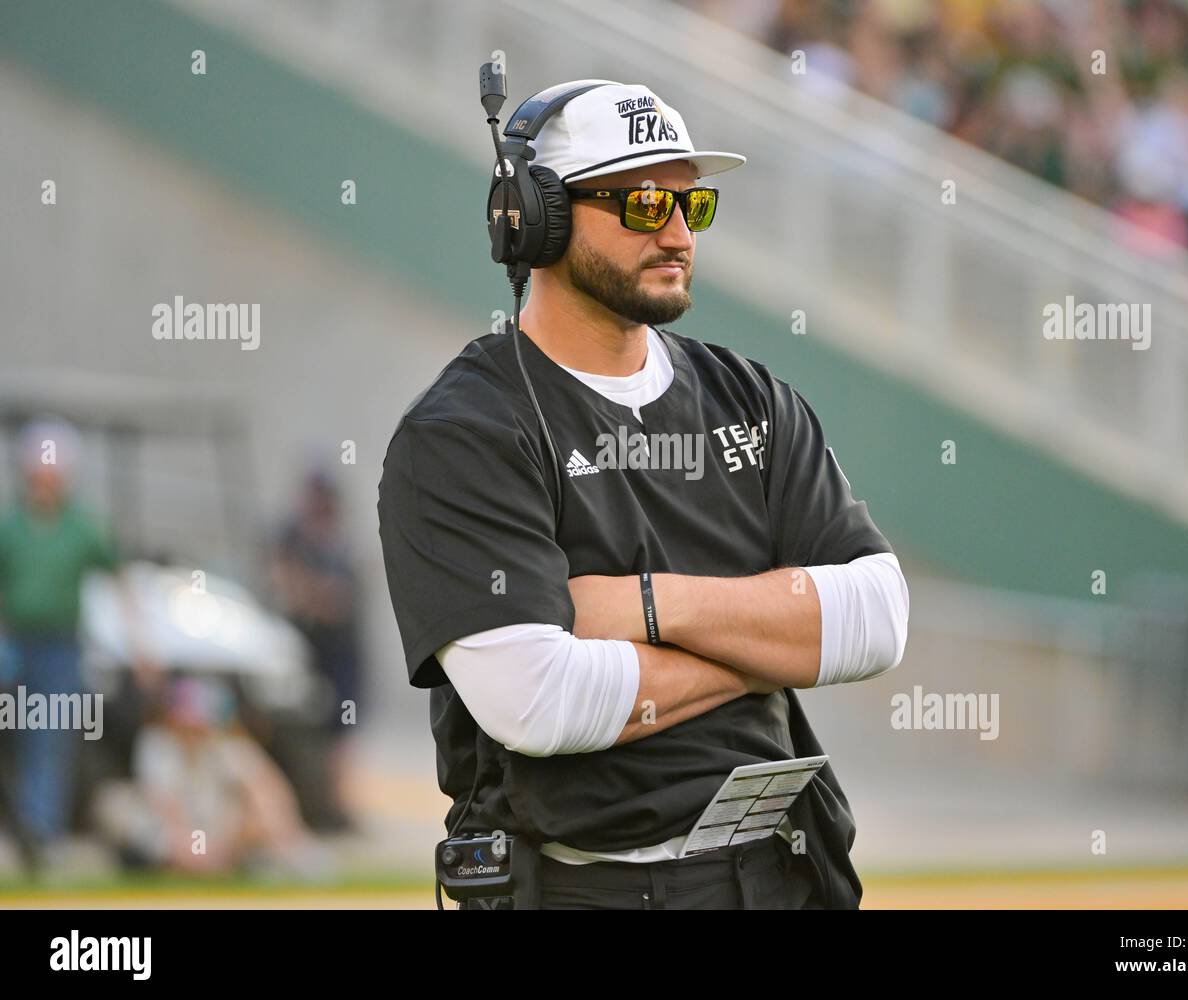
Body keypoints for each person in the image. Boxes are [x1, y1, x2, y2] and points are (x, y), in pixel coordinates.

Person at [377, 80, 910, 909]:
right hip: (576, 887)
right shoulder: (463, 433)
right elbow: (541, 703)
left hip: (774, 873)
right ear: (536, 215)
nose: (674, 233)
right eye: (641, 204)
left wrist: (649, 606)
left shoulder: (750, 396)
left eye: (690, 206)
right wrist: (768, 647)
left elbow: (879, 616)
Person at [0, 417, 160, 870]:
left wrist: (141, 644)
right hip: (14, 644)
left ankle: (40, 832)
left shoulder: (81, 527)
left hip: (61, 647)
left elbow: (121, 581)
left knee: (49, 736)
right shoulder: (11, 526)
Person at [94, 675, 331, 878]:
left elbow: (266, 788)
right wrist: (195, 853)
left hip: (213, 830)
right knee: (117, 808)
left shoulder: (227, 744)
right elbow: (167, 810)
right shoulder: (158, 745)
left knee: (258, 814)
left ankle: (279, 857)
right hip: (174, 832)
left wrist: (285, 834)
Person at [267, 467, 362, 831]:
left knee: (345, 727)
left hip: (340, 649)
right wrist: (312, 594)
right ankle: (317, 803)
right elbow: (286, 588)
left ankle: (338, 804)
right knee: (310, 724)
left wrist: (314, 595)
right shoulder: (291, 537)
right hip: (306, 646)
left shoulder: (338, 542)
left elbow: (340, 600)